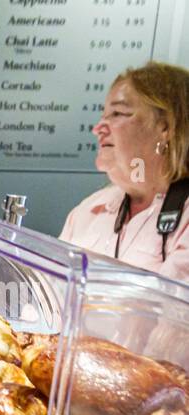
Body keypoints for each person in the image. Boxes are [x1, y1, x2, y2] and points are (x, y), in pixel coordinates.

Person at [60, 62, 189, 281]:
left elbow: (170, 313)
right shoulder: (88, 211)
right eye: (103, 115)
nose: (98, 128)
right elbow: (45, 295)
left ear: (166, 127)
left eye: (118, 113)